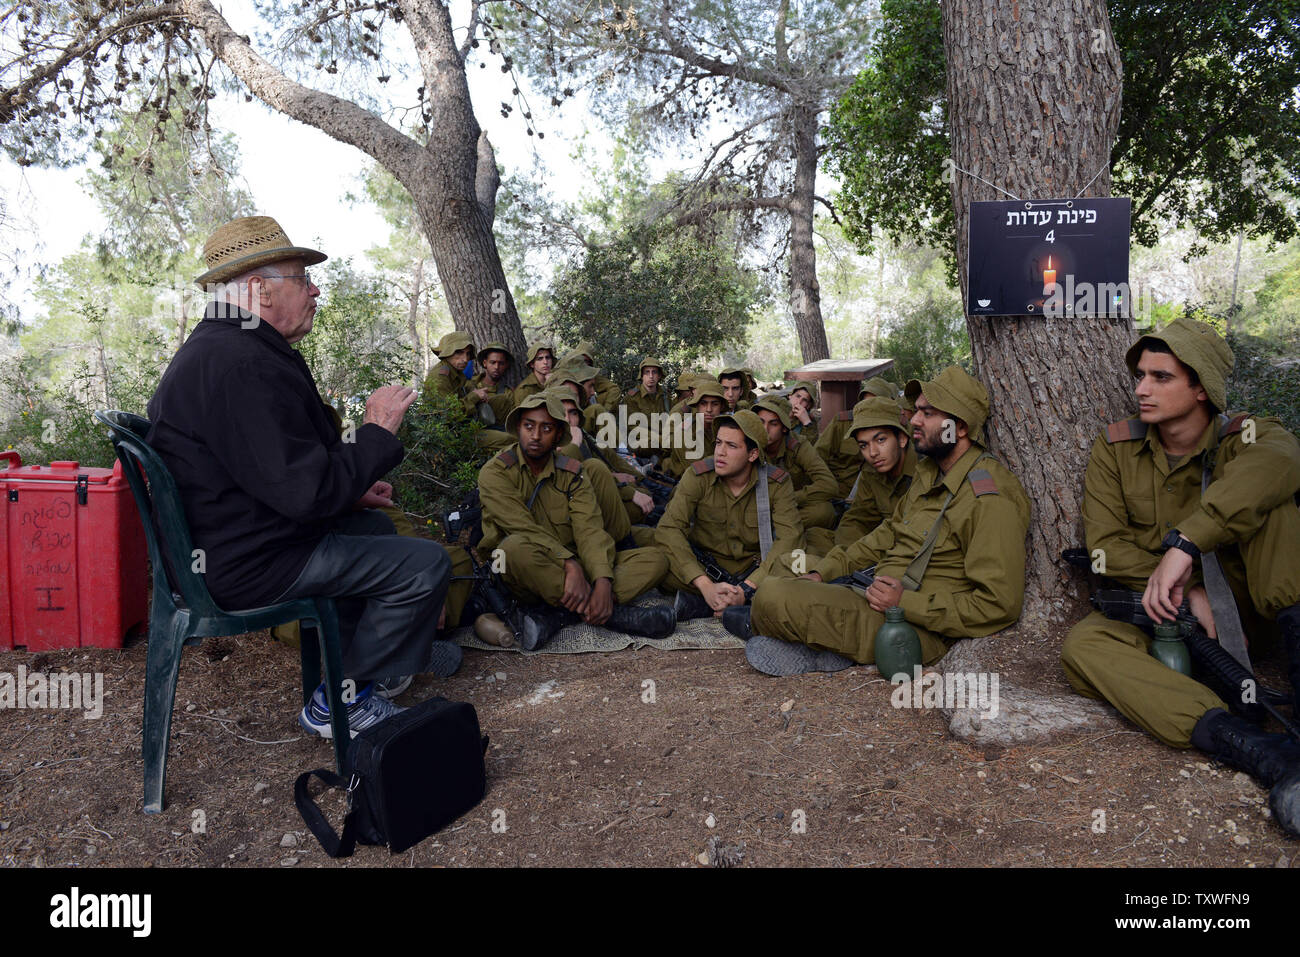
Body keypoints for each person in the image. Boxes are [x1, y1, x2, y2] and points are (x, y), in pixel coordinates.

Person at [148, 215, 455, 738]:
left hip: (241, 543)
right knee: (424, 565)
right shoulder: (239, 365)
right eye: (302, 278)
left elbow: (273, 473)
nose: (315, 290)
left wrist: (352, 492)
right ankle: (342, 702)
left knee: (378, 532)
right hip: (247, 563)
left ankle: (359, 673)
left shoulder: (232, 350)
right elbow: (306, 493)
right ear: (260, 289)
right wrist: (377, 432)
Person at [1059, 317, 1300, 835]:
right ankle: (1261, 749)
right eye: (1140, 375)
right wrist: (1185, 587)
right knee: (1084, 647)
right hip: (1160, 609)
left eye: (1161, 377)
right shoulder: (1117, 447)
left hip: (1246, 610)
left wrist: (1188, 544)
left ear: (1201, 388)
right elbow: (1105, 548)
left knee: (1276, 509)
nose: (1142, 388)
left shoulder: (1247, 437)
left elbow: (1284, 460)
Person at [732, 366, 1030, 677]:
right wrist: (825, 572)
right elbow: (887, 534)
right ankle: (820, 646)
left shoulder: (989, 496)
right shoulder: (931, 473)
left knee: (772, 596)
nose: (914, 420)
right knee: (786, 575)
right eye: (916, 411)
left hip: (912, 628)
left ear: (961, 426)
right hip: (877, 596)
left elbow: (998, 606)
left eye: (927, 413)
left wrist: (905, 602)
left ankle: (800, 637)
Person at [476, 392, 675, 650]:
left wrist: (602, 580)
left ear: (559, 434)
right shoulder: (495, 472)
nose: (535, 436)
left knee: (655, 560)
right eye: (528, 426)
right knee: (511, 548)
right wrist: (569, 565)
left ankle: (563, 614)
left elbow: (590, 529)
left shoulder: (572, 472)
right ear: (518, 428)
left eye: (546, 428)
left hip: (573, 573)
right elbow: (522, 528)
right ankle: (610, 615)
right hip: (525, 571)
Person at [656, 410, 804, 620]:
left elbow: (790, 538)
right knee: (658, 562)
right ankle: (719, 601)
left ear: (752, 455)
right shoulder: (698, 475)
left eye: (731, 446)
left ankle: (715, 604)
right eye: (718, 443)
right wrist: (704, 584)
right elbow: (669, 528)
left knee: (802, 563)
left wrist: (746, 589)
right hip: (705, 569)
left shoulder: (776, 483)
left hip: (755, 571)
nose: (720, 452)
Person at [751, 395, 838, 531]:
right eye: (761, 422)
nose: (765, 429)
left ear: (784, 428)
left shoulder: (798, 445)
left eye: (773, 424)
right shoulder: (747, 442)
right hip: (754, 507)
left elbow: (829, 485)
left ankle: (775, 529)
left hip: (790, 506)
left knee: (824, 511)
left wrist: (790, 499)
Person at [660, 380, 727, 480]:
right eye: (704, 404)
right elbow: (699, 471)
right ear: (697, 406)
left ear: (721, 406)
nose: (709, 409)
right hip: (682, 480)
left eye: (715, 404)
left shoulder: (724, 427)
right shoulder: (685, 432)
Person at [621, 357, 673, 458]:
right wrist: (658, 439)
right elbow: (633, 428)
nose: (651, 376)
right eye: (647, 372)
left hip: (663, 439)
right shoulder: (632, 398)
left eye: (654, 372)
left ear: (659, 376)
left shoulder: (665, 396)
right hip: (641, 440)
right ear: (642, 376)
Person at [464, 341, 516, 425]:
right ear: (485, 363)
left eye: (501, 363)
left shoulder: (508, 393)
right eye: (493, 362)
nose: (496, 367)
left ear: (506, 365)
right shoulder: (469, 385)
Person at [562, 340, 622, 409]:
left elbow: (614, 389)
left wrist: (606, 411)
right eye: (581, 359)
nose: (583, 363)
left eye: (587, 361)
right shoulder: (565, 370)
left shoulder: (591, 375)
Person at [423, 331, 476, 400]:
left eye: (468, 353)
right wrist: (474, 397)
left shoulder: (455, 370)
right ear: (447, 353)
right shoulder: (440, 377)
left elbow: (465, 384)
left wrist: (473, 390)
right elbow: (449, 409)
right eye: (459, 353)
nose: (465, 359)